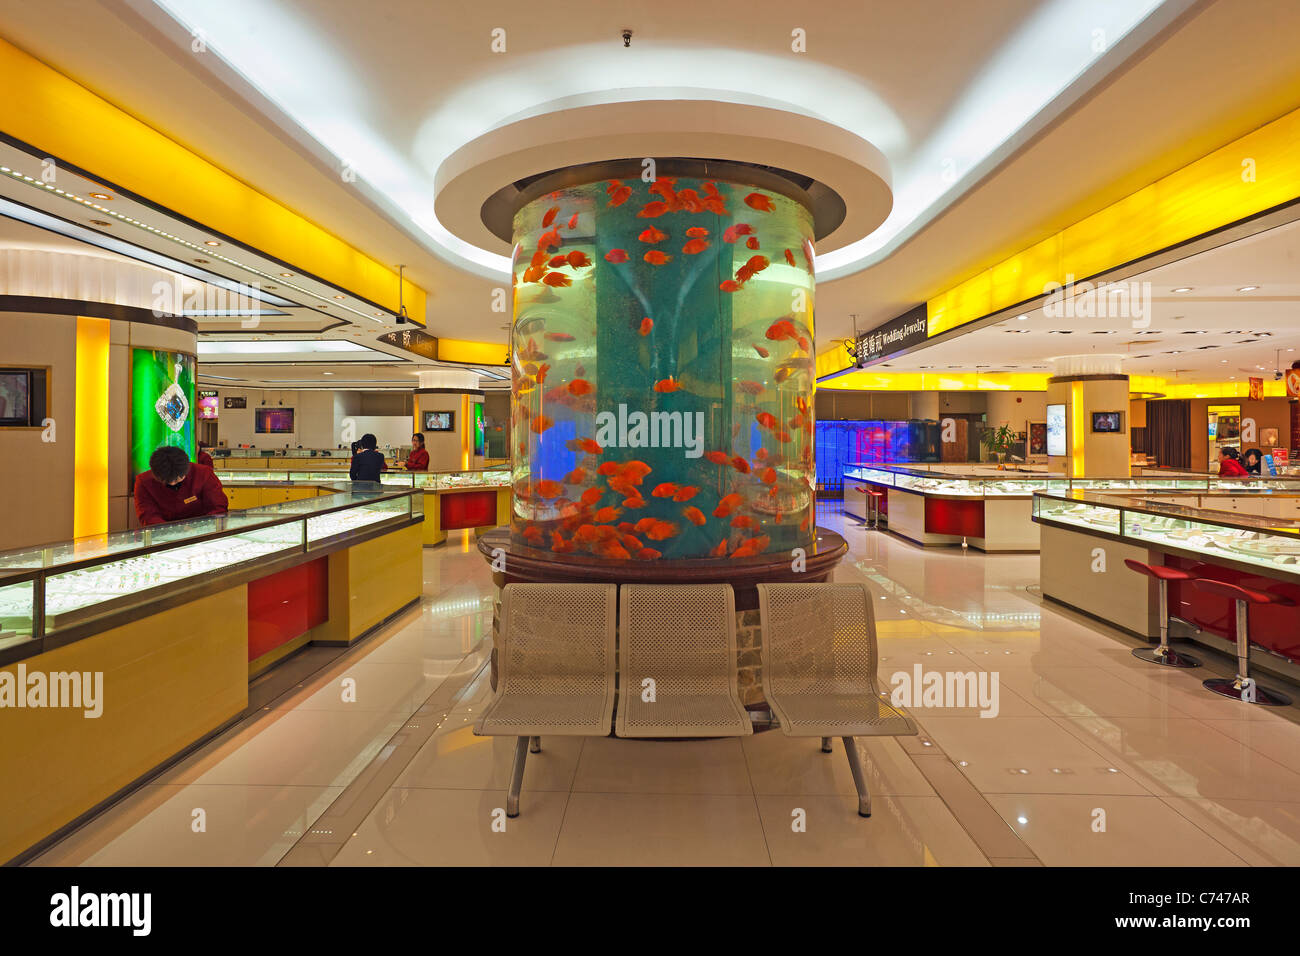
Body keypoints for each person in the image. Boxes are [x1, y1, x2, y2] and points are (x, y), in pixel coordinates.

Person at [134, 445, 229, 526]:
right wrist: (172, 532)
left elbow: (218, 507)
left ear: (187, 469)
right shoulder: (143, 481)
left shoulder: (203, 473)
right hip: (163, 534)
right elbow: (148, 516)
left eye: (177, 480)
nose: (172, 484)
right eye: (166, 481)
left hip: (201, 530)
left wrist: (199, 528)